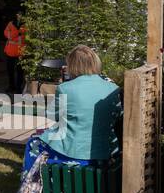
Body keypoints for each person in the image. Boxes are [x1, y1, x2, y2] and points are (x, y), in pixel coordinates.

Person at [20, 45, 121, 175]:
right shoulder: (113, 88)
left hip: (73, 152)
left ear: (72, 65)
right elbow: (117, 114)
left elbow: (53, 115)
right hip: (105, 152)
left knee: (33, 143)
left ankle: (32, 184)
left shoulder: (65, 88)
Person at [4, 12, 26, 95]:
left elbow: (25, 36)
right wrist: (17, 33)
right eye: (17, 14)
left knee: (20, 70)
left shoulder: (26, 24)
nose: (19, 16)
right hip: (11, 50)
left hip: (21, 51)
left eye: (20, 14)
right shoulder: (11, 23)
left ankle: (18, 87)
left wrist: (14, 34)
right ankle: (11, 86)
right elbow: (6, 33)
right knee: (10, 69)